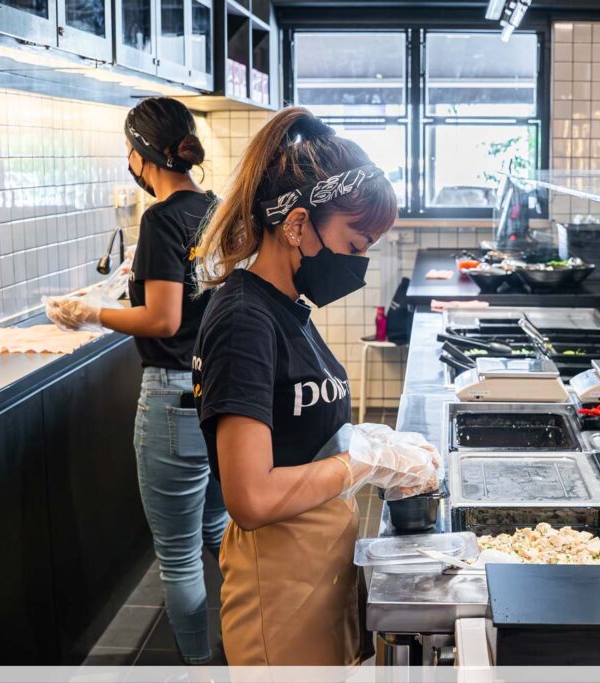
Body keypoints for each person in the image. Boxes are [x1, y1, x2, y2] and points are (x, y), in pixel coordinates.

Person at [192, 106, 439, 666]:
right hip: (277, 579)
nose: (359, 263)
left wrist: (370, 442)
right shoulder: (242, 319)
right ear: (298, 224)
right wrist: (365, 462)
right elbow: (250, 498)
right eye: (355, 245)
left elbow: (301, 429)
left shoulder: (288, 308)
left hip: (319, 564)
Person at [46, 97, 228, 665]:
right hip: (220, 394)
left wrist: (89, 312)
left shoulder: (160, 218)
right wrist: (140, 276)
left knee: (177, 557)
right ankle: (243, 650)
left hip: (173, 401)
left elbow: (163, 320)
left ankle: (200, 671)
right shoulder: (217, 208)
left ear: (141, 154)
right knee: (219, 534)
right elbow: (202, 295)